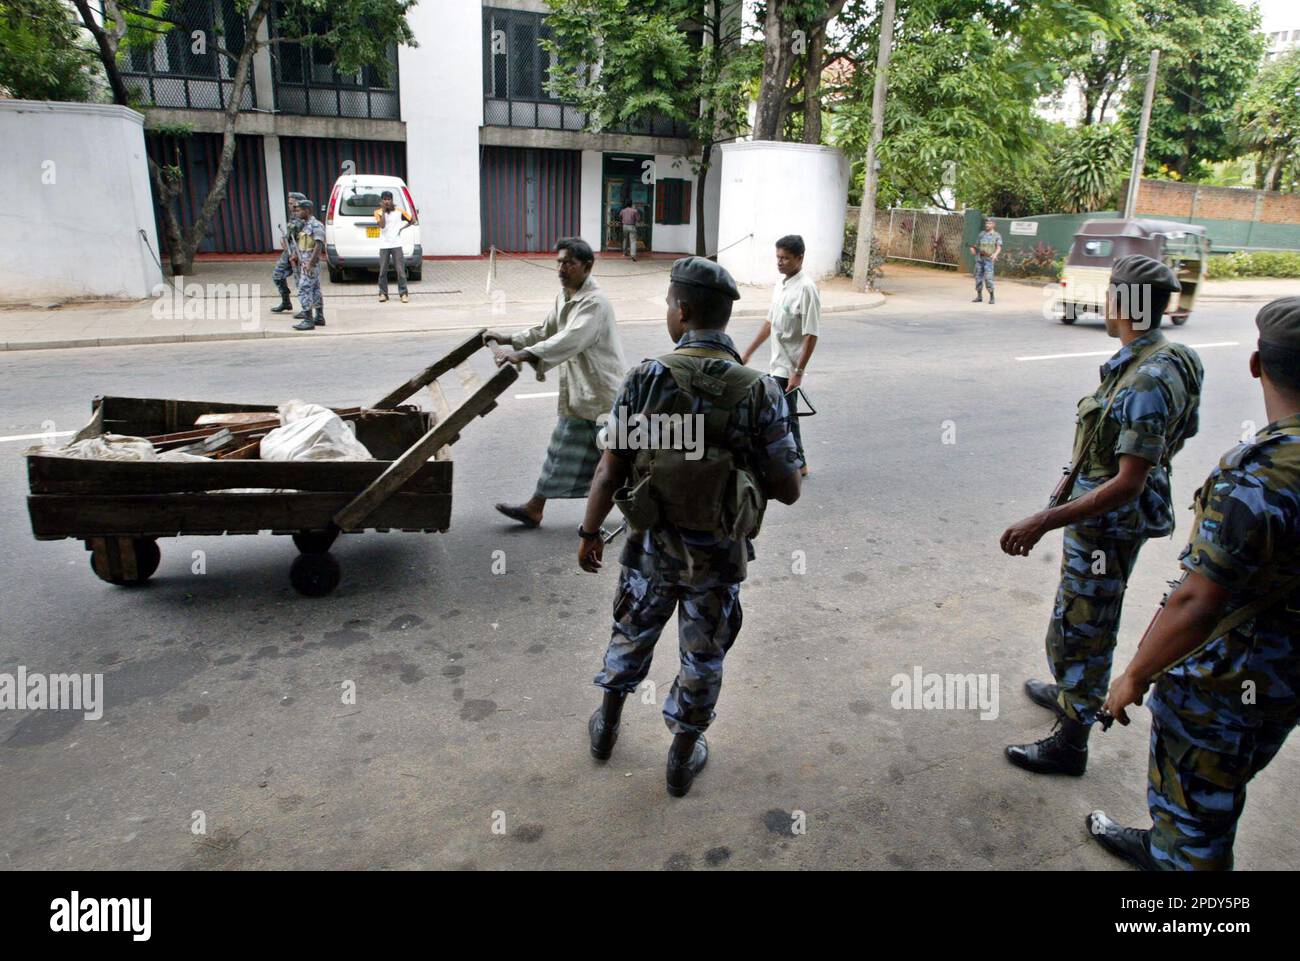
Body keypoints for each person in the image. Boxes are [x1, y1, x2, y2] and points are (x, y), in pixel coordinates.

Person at [578, 256, 803, 797]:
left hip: (650, 548)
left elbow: (610, 467)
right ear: (725, 318)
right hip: (718, 558)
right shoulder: (761, 391)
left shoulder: (647, 377)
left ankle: (606, 727)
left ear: (680, 312)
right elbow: (790, 487)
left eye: (667, 305)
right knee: (702, 655)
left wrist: (588, 534)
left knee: (631, 635)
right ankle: (681, 757)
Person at [1088, 297, 1300, 871]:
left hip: (1232, 680)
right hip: (1284, 677)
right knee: (1219, 793)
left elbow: (1198, 598)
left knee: (1197, 822)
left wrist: (1133, 674)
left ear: (1258, 365)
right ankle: (1167, 842)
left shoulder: (1261, 474)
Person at [1000, 255, 1203, 776]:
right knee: (1079, 614)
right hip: (1111, 518)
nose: (1105, 301)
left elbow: (1127, 481)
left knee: (1085, 625)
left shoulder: (1147, 379)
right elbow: (1182, 434)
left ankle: (1071, 739)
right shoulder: (1173, 357)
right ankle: (1073, 691)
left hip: (1107, 526)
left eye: (1112, 292)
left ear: (1126, 303)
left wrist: (1042, 520)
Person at [485, 237, 626, 527]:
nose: (562, 269)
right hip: (579, 396)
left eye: (569, 263)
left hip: (601, 394)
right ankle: (535, 507)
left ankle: (644, 512)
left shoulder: (594, 303)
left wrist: (522, 355)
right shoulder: (565, 295)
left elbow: (569, 339)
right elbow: (546, 329)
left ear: (587, 267)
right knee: (560, 450)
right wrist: (509, 339)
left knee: (622, 463)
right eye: (559, 263)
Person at [741, 234, 819, 476]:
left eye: (785, 258)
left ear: (800, 257)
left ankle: (795, 463)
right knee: (783, 416)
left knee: (782, 416)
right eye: (778, 257)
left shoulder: (806, 289)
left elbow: (811, 334)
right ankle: (797, 462)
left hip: (789, 368)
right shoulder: (781, 284)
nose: (780, 262)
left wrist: (799, 373)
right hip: (777, 365)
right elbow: (769, 323)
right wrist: (748, 353)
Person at [375, 190, 416, 303]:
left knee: (400, 270)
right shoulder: (377, 212)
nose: (387, 201)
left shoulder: (399, 211)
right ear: (381, 201)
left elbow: (412, 220)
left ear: (392, 200)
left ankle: (403, 294)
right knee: (383, 270)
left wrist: (401, 229)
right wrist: (383, 212)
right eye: (385, 199)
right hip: (384, 245)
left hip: (396, 244)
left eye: (389, 199)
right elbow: (382, 226)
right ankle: (383, 293)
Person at [291, 199, 326, 331]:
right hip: (305, 263)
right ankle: (319, 317)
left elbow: (319, 244)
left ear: (307, 210)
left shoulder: (316, 225)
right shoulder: (305, 225)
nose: (297, 212)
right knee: (315, 289)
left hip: (310, 264)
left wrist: (310, 263)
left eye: (299, 210)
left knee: (304, 289)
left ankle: (308, 320)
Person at [270, 191, 307, 314]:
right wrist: (284, 239)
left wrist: (297, 254)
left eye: (292, 203)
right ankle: (286, 302)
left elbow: (305, 238)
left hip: (299, 253)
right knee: (277, 274)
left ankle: (306, 309)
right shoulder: (293, 215)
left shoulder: (304, 217)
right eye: (289, 203)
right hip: (289, 251)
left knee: (300, 281)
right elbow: (291, 234)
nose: (290, 206)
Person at [969, 218, 1002, 304]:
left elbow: (999, 247)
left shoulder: (996, 235)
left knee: (988, 278)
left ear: (993, 224)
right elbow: (976, 245)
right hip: (979, 259)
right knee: (978, 278)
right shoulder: (982, 234)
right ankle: (979, 296)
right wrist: (973, 249)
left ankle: (992, 297)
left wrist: (995, 254)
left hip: (989, 260)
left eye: (989, 223)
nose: (987, 225)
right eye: (987, 223)